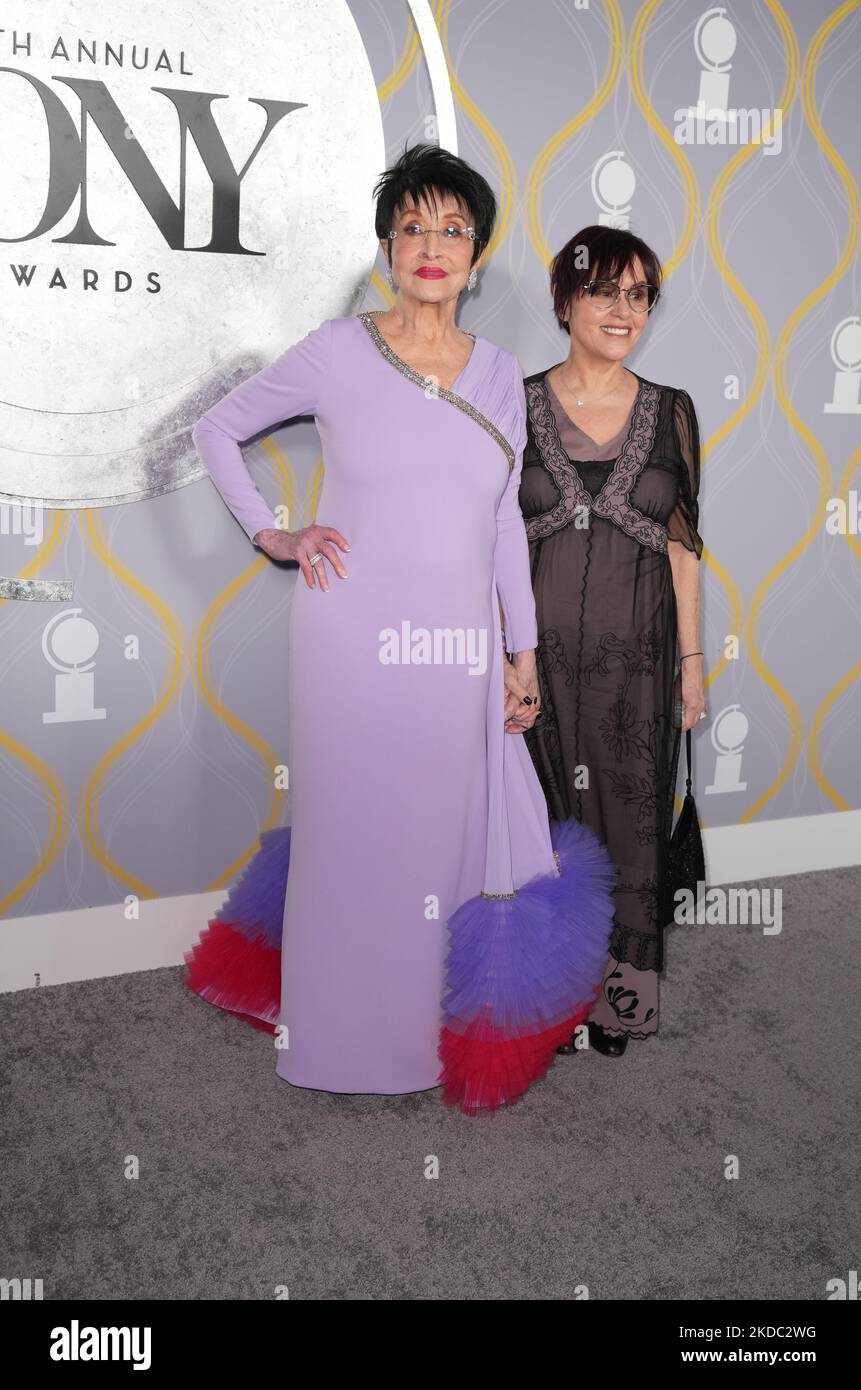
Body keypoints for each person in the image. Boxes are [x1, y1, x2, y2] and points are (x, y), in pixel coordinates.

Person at [185, 148, 616, 1113]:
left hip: (458, 645)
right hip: (347, 637)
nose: (432, 246)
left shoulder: (502, 373)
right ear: (387, 248)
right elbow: (220, 428)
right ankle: (340, 1035)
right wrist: (277, 533)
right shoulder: (340, 349)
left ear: (477, 255)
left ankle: (429, 1024)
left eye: (452, 230)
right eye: (413, 227)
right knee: (353, 833)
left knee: (442, 836)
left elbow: (504, 517)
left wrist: (521, 651)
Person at [518, 225, 706, 1058]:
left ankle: (619, 1007)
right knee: (542, 824)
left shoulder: (673, 410)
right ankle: (549, 1003)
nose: (622, 309)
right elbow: (484, 534)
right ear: (566, 301)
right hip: (537, 661)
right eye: (604, 291)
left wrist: (693, 664)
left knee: (629, 826)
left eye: (639, 295)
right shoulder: (510, 400)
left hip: (640, 662)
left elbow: (683, 546)